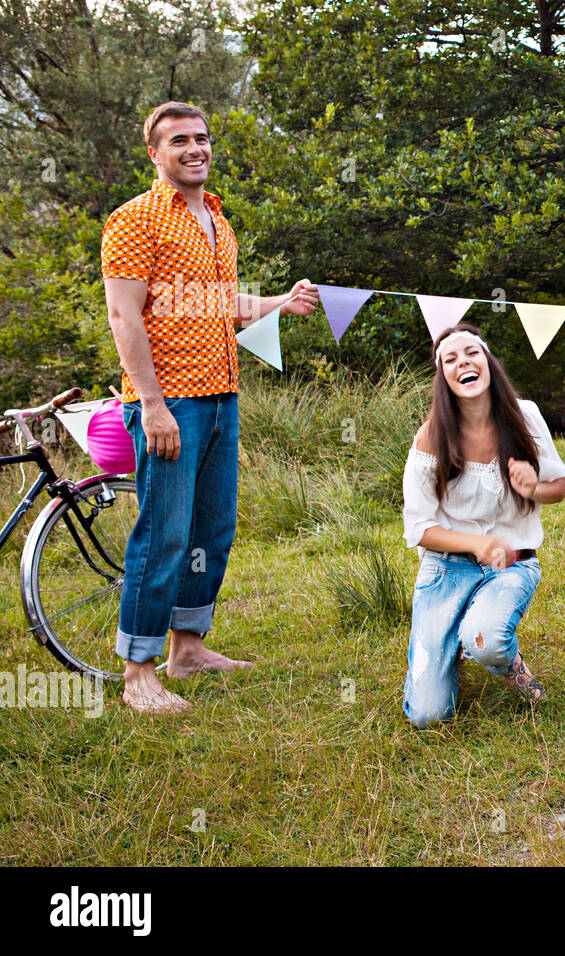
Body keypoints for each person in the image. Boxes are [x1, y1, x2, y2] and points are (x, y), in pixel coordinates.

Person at [102, 101, 319, 715]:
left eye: (201, 138)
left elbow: (216, 304)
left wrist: (281, 301)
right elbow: (124, 316)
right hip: (171, 404)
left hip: (223, 398)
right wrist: (153, 405)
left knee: (212, 531)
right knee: (163, 535)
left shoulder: (218, 221)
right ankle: (137, 672)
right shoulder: (134, 220)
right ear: (155, 153)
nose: (194, 149)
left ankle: (188, 648)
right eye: (179, 141)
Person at [401, 323, 565, 727]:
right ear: (443, 376)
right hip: (445, 569)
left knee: (489, 641)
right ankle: (453, 642)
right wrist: (477, 544)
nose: (463, 363)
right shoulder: (431, 437)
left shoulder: (524, 415)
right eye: (451, 359)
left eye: (471, 353)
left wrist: (534, 488)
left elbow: (558, 488)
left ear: (488, 360)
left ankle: (496, 653)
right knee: (429, 715)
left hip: (512, 565)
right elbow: (419, 529)